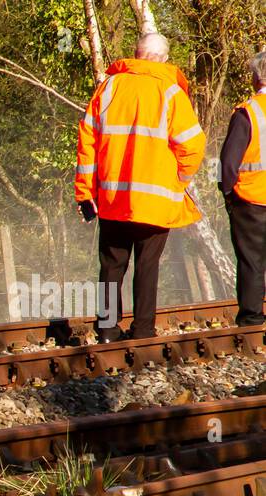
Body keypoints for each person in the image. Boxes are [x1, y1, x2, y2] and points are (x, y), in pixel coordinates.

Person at [75, 32, 206, 341]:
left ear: (136, 53)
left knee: (111, 265)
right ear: (162, 59)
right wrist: (180, 180)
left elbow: (87, 143)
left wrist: (85, 192)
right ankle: (144, 330)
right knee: (147, 266)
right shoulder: (171, 92)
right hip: (155, 200)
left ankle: (107, 329)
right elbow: (193, 145)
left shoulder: (108, 88)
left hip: (112, 196)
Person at [219, 51, 266, 327]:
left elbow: (228, 162)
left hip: (251, 199)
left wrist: (227, 193)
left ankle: (251, 317)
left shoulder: (247, 112)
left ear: (255, 77)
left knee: (251, 261)